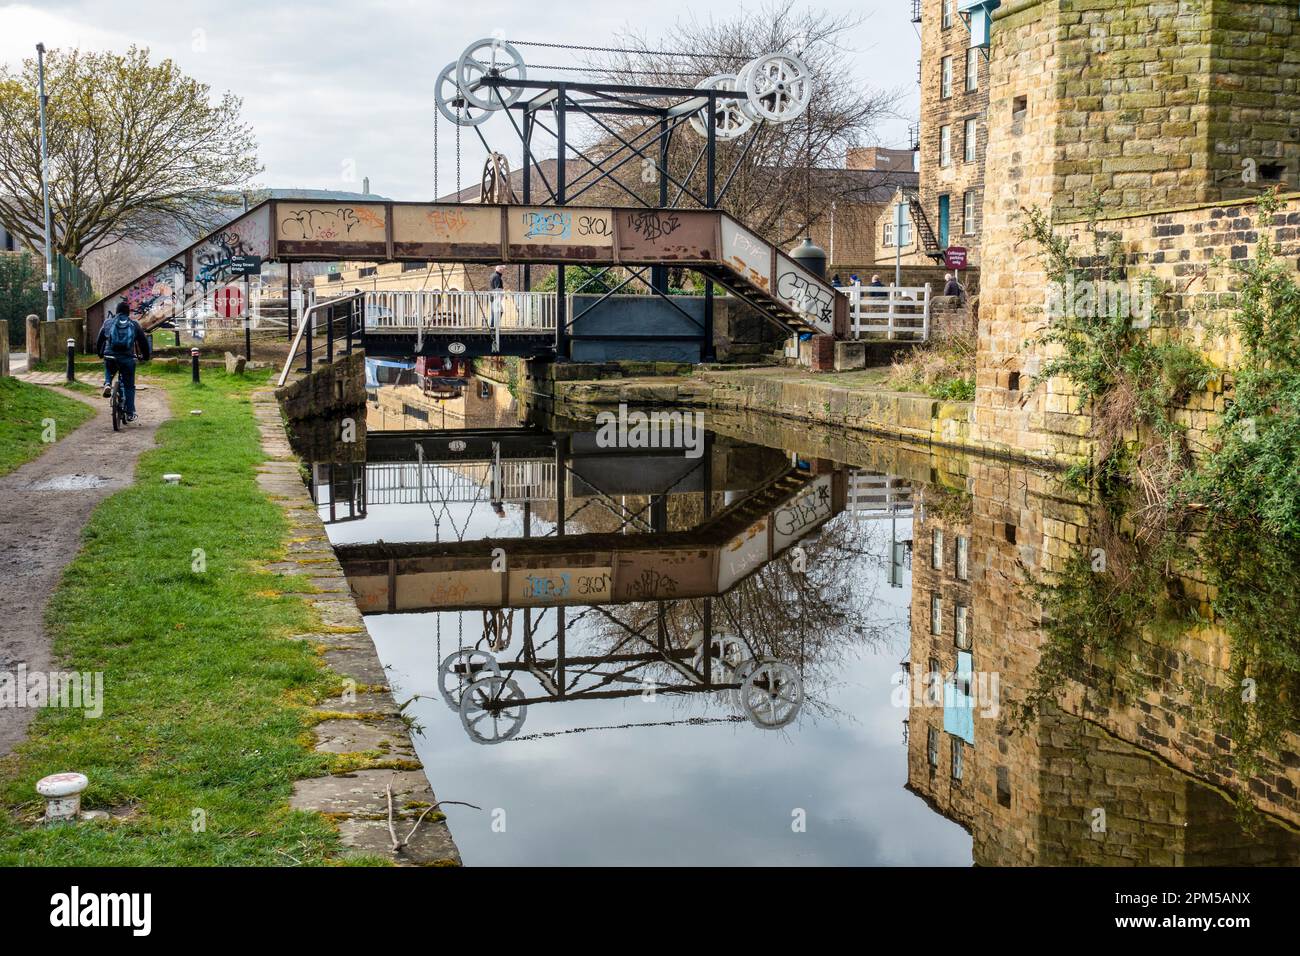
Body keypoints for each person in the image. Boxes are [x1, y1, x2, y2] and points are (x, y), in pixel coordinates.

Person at [96, 301, 152, 422]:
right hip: (127, 359)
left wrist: (100, 353)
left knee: (108, 365)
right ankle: (130, 412)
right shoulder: (133, 324)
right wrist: (146, 357)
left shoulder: (108, 323)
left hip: (110, 356)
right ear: (128, 313)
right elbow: (143, 342)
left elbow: (100, 340)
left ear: (116, 312)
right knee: (129, 385)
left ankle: (107, 383)